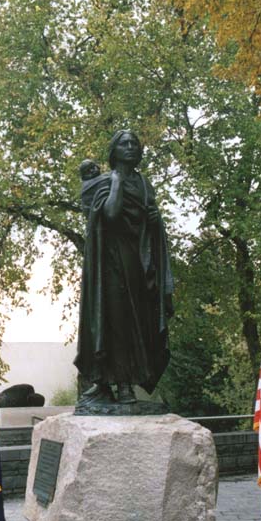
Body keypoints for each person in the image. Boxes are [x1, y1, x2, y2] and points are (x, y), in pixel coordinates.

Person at [75, 130, 174, 407]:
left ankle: (129, 379)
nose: (131, 147)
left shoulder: (144, 184)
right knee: (115, 321)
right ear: (114, 150)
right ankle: (118, 384)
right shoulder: (105, 182)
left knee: (137, 324)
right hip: (110, 265)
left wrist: (155, 222)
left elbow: (148, 220)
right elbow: (110, 214)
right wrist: (116, 180)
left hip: (139, 264)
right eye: (124, 143)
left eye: (134, 143)